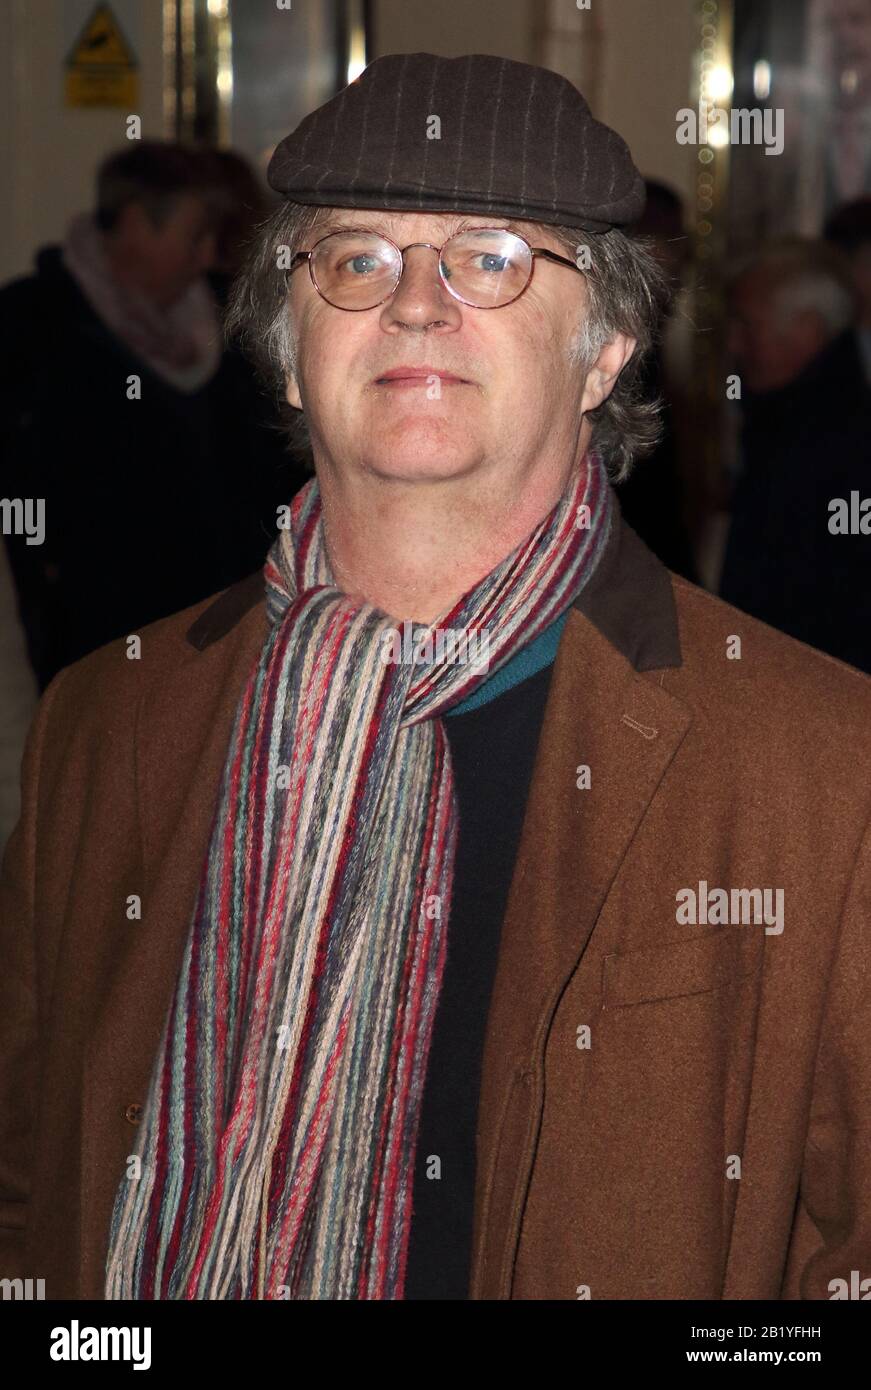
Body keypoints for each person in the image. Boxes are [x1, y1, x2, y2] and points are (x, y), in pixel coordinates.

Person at [2, 53, 871, 1302]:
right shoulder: (106, 719)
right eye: (354, 260)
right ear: (290, 349)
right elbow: (27, 1190)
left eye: (492, 257)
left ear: (604, 346)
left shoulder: (818, 769)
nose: (413, 303)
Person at [0, 141, 304, 688]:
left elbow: (269, 463)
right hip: (93, 649)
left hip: (222, 636)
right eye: (194, 236)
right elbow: (24, 498)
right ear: (139, 225)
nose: (208, 255)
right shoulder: (29, 328)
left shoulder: (228, 320)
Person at [719, 237, 871, 671]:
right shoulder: (782, 419)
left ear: (806, 330)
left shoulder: (836, 442)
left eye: (748, 326)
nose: (734, 344)